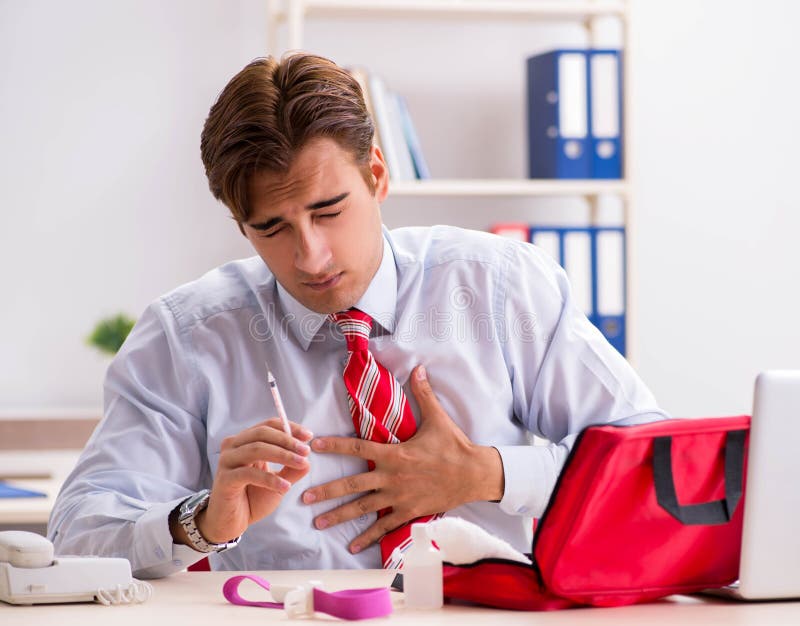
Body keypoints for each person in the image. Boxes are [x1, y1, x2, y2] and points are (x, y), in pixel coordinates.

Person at [48, 53, 668, 578]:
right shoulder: (187, 336)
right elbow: (78, 533)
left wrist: (488, 473)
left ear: (376, 174)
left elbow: (651, 461)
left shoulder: (499, 288)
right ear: (241, 225)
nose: (310, 256)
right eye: (272, 228)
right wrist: (202, 521)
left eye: (328, 211)